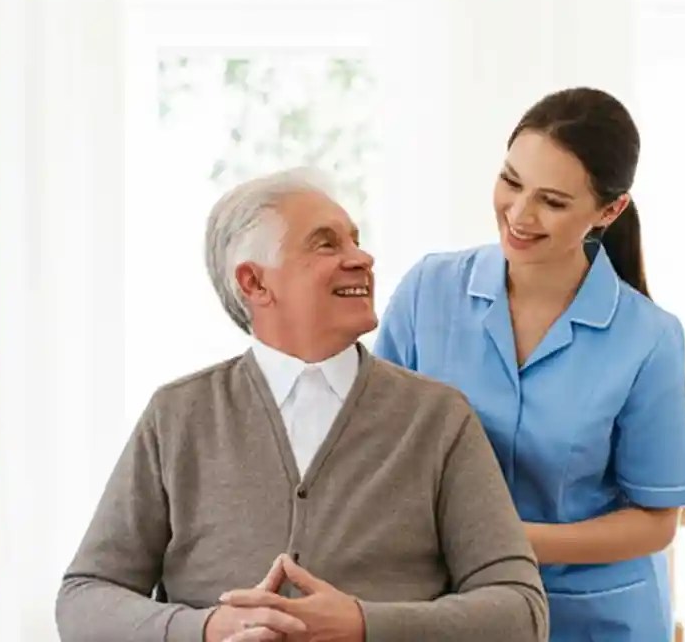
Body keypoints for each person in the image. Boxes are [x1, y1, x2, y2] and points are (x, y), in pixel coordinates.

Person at [56, 168, 549, 642]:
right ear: (254, 283)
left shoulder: (438, 419)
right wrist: (206, 629)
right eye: (326, 243)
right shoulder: (178, 416)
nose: (361, 258)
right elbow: (83, 599)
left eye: (355, 239)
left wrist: (363, 625)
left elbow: (520, 612)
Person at [374, 87, 685, 641]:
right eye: (511, 181)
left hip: (596, 619)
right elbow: (375, 447)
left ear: (609, 210)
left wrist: (503, 539)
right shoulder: (428, 291)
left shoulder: (649, 338)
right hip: (450, 608)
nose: (519, 215)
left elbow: (655, 522)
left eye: (553, 201)